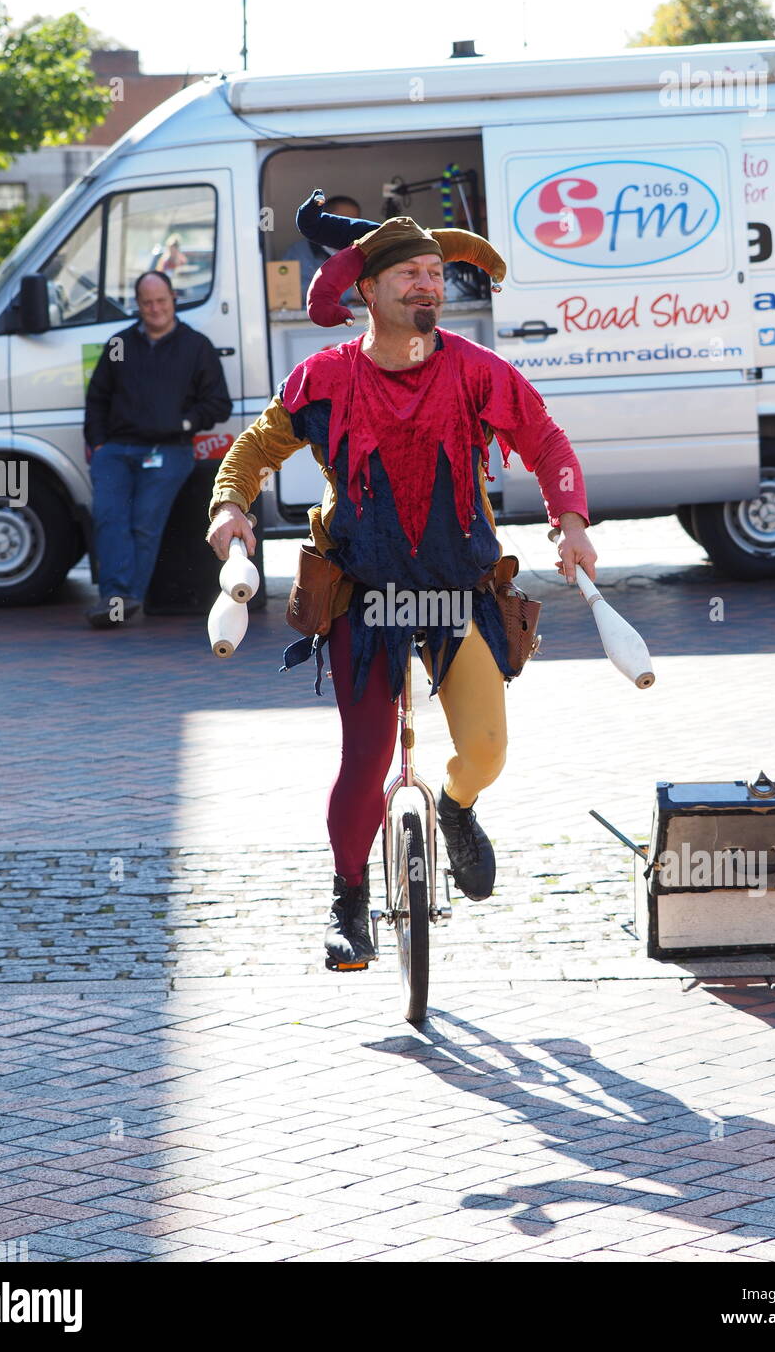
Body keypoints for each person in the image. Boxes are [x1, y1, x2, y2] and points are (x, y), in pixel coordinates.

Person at [206, 195, 596, 969]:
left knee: (484, 750)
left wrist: (572, 519)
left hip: (460, 589)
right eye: (409, 274)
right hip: (363, 591)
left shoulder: (480, 373)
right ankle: (349, 899)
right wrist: (229, 509)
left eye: (435, 274)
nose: (428, 285)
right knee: (365, 757)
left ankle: (454, 808)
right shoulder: (322, 378)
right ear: (368, 292)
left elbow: (544, 438)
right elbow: (251, 451)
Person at [84, 270, 232, 628]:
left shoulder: (196, 345)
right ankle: (115, 597)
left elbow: (218, 404)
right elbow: (96, 400)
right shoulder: (118, 344)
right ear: (138, 305)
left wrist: (181, 424)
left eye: (161, 301)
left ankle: (123, 599)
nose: (155, 309)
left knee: (144, 522)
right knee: (108, 519)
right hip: (116, 451)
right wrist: (100, 444)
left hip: (169, 451)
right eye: (147, 302)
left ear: (173, 300)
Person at [281, 194, 363, 305]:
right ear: (325, 220)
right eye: (344, 220)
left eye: (355, 222)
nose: (350, 226)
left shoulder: (363, 251)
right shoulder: (299, 252)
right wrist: (349, 293)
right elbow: (291, 292)